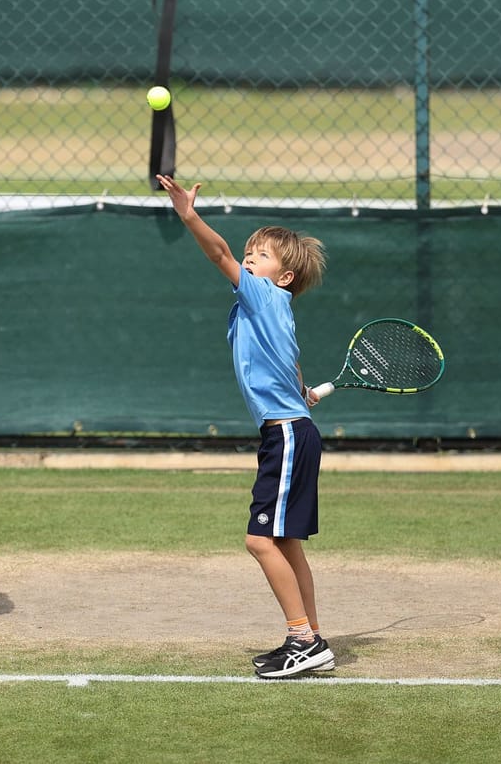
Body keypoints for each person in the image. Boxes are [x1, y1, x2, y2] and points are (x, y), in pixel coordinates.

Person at [156, 174, 334, 678]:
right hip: (292, 429)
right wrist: (301, 390)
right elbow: (291, 367)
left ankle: (303, 638)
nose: (249, 258)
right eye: (250, 252)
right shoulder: (268, 311)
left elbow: (218, 255)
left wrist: (189, 216)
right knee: (286, 543)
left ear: (281, 279)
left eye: (261, 256)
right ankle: (311, 638)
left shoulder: (261, 297)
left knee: (259, 541)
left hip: (287, 436)